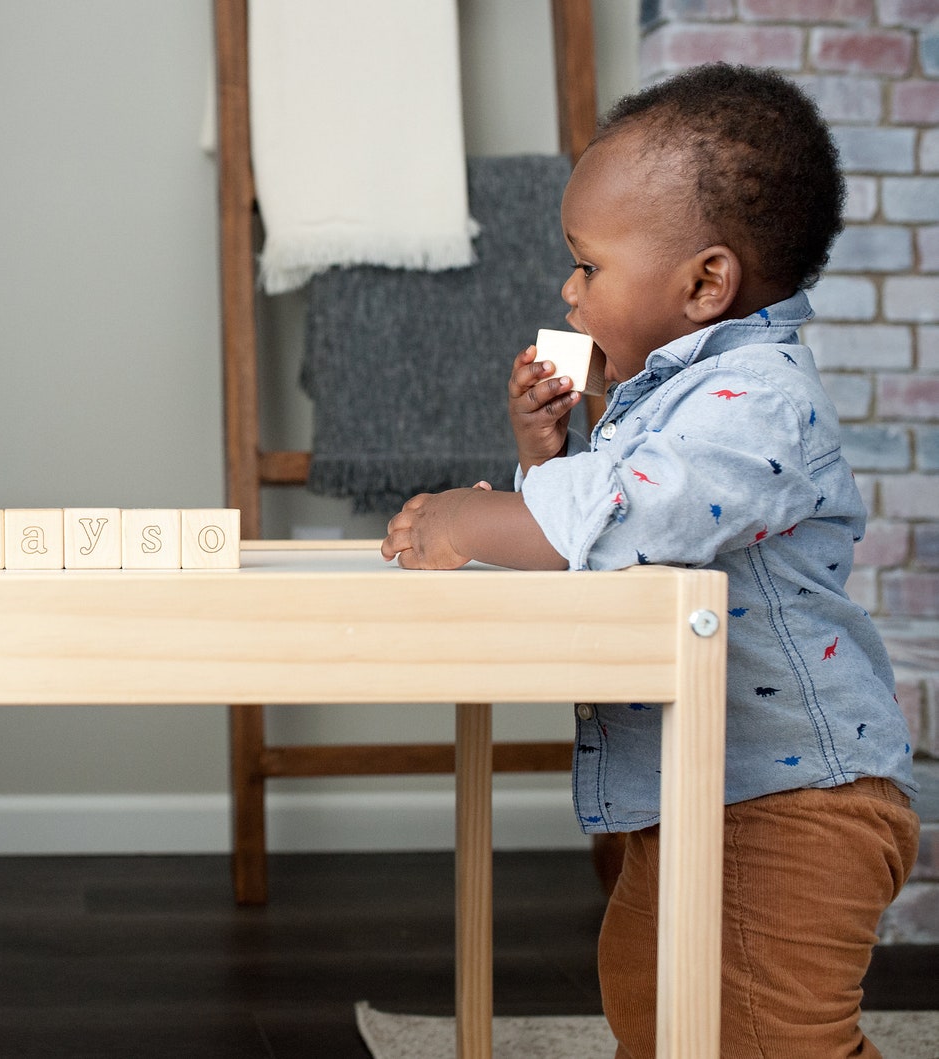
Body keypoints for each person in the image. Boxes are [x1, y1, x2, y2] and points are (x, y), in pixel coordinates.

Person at [379, 63, 919, 1058]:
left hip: (794, 806)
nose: (566, 290)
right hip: (702, 792)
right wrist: (550, 458)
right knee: (657, 1011)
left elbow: (627, 517)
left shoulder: (754, 396)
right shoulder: (671, 401)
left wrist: (467, 516)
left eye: (587, 266)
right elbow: (624, 537)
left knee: (773, 1038)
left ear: (703, 284)